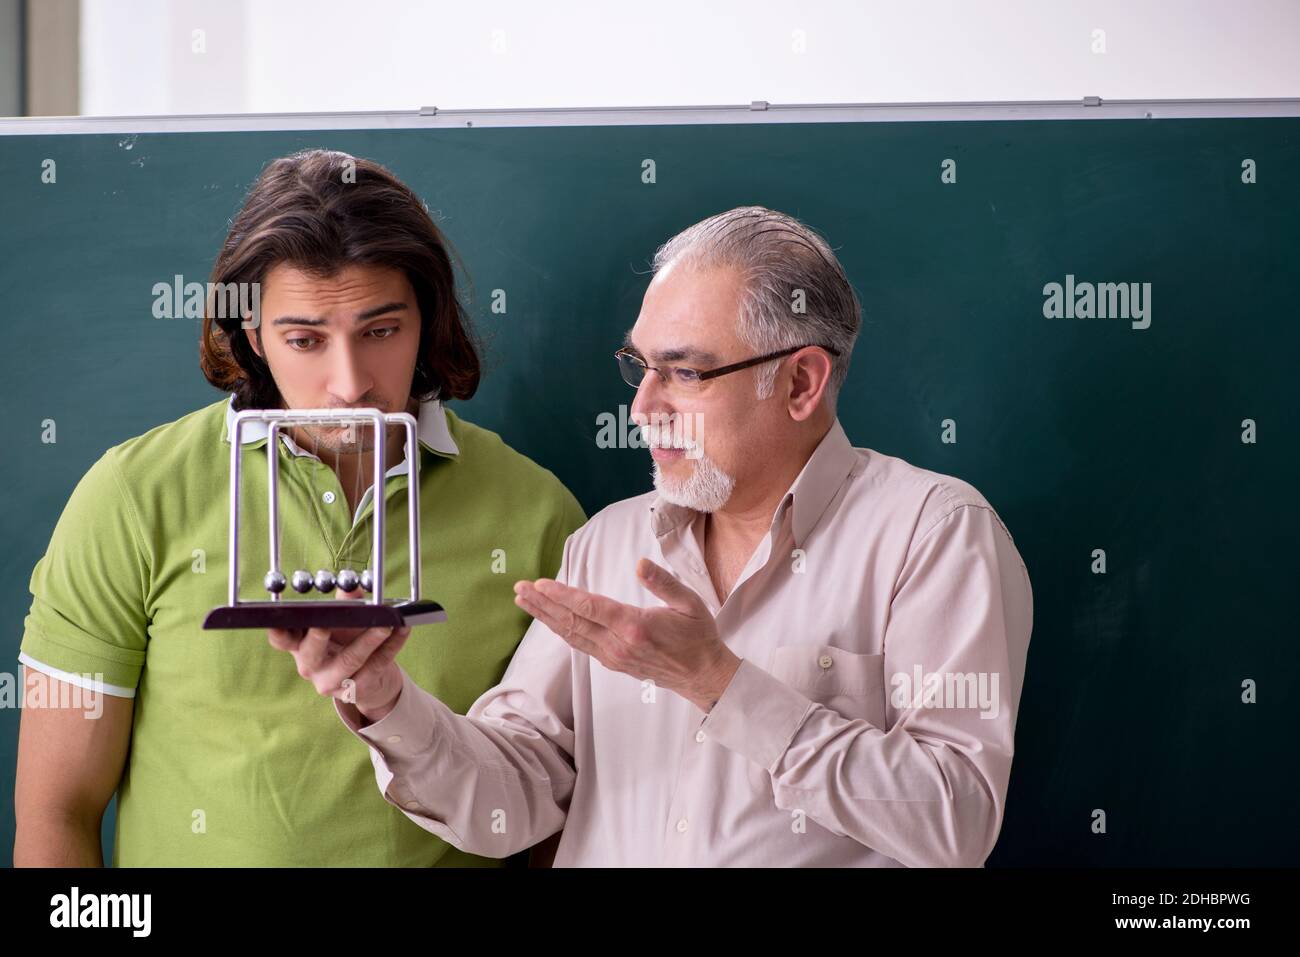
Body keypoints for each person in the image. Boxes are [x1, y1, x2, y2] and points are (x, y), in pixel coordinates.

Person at [273, 205, 1034, 867]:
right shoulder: (606, 544)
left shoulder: (932, 536)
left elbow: (955, 819)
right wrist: (382, 700)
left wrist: (721, 684)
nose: (642, 406)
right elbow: (512, 797)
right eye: (639, 364)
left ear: (801, 383)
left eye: (684, 372)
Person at [13, 149, 585, 867]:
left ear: (426, 321)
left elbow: (552, 819)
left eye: (380, 331)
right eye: (305, 339)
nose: (348, 384)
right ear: (253, 337)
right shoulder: (131, 496)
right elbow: (55, 812)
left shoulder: (538, 514)